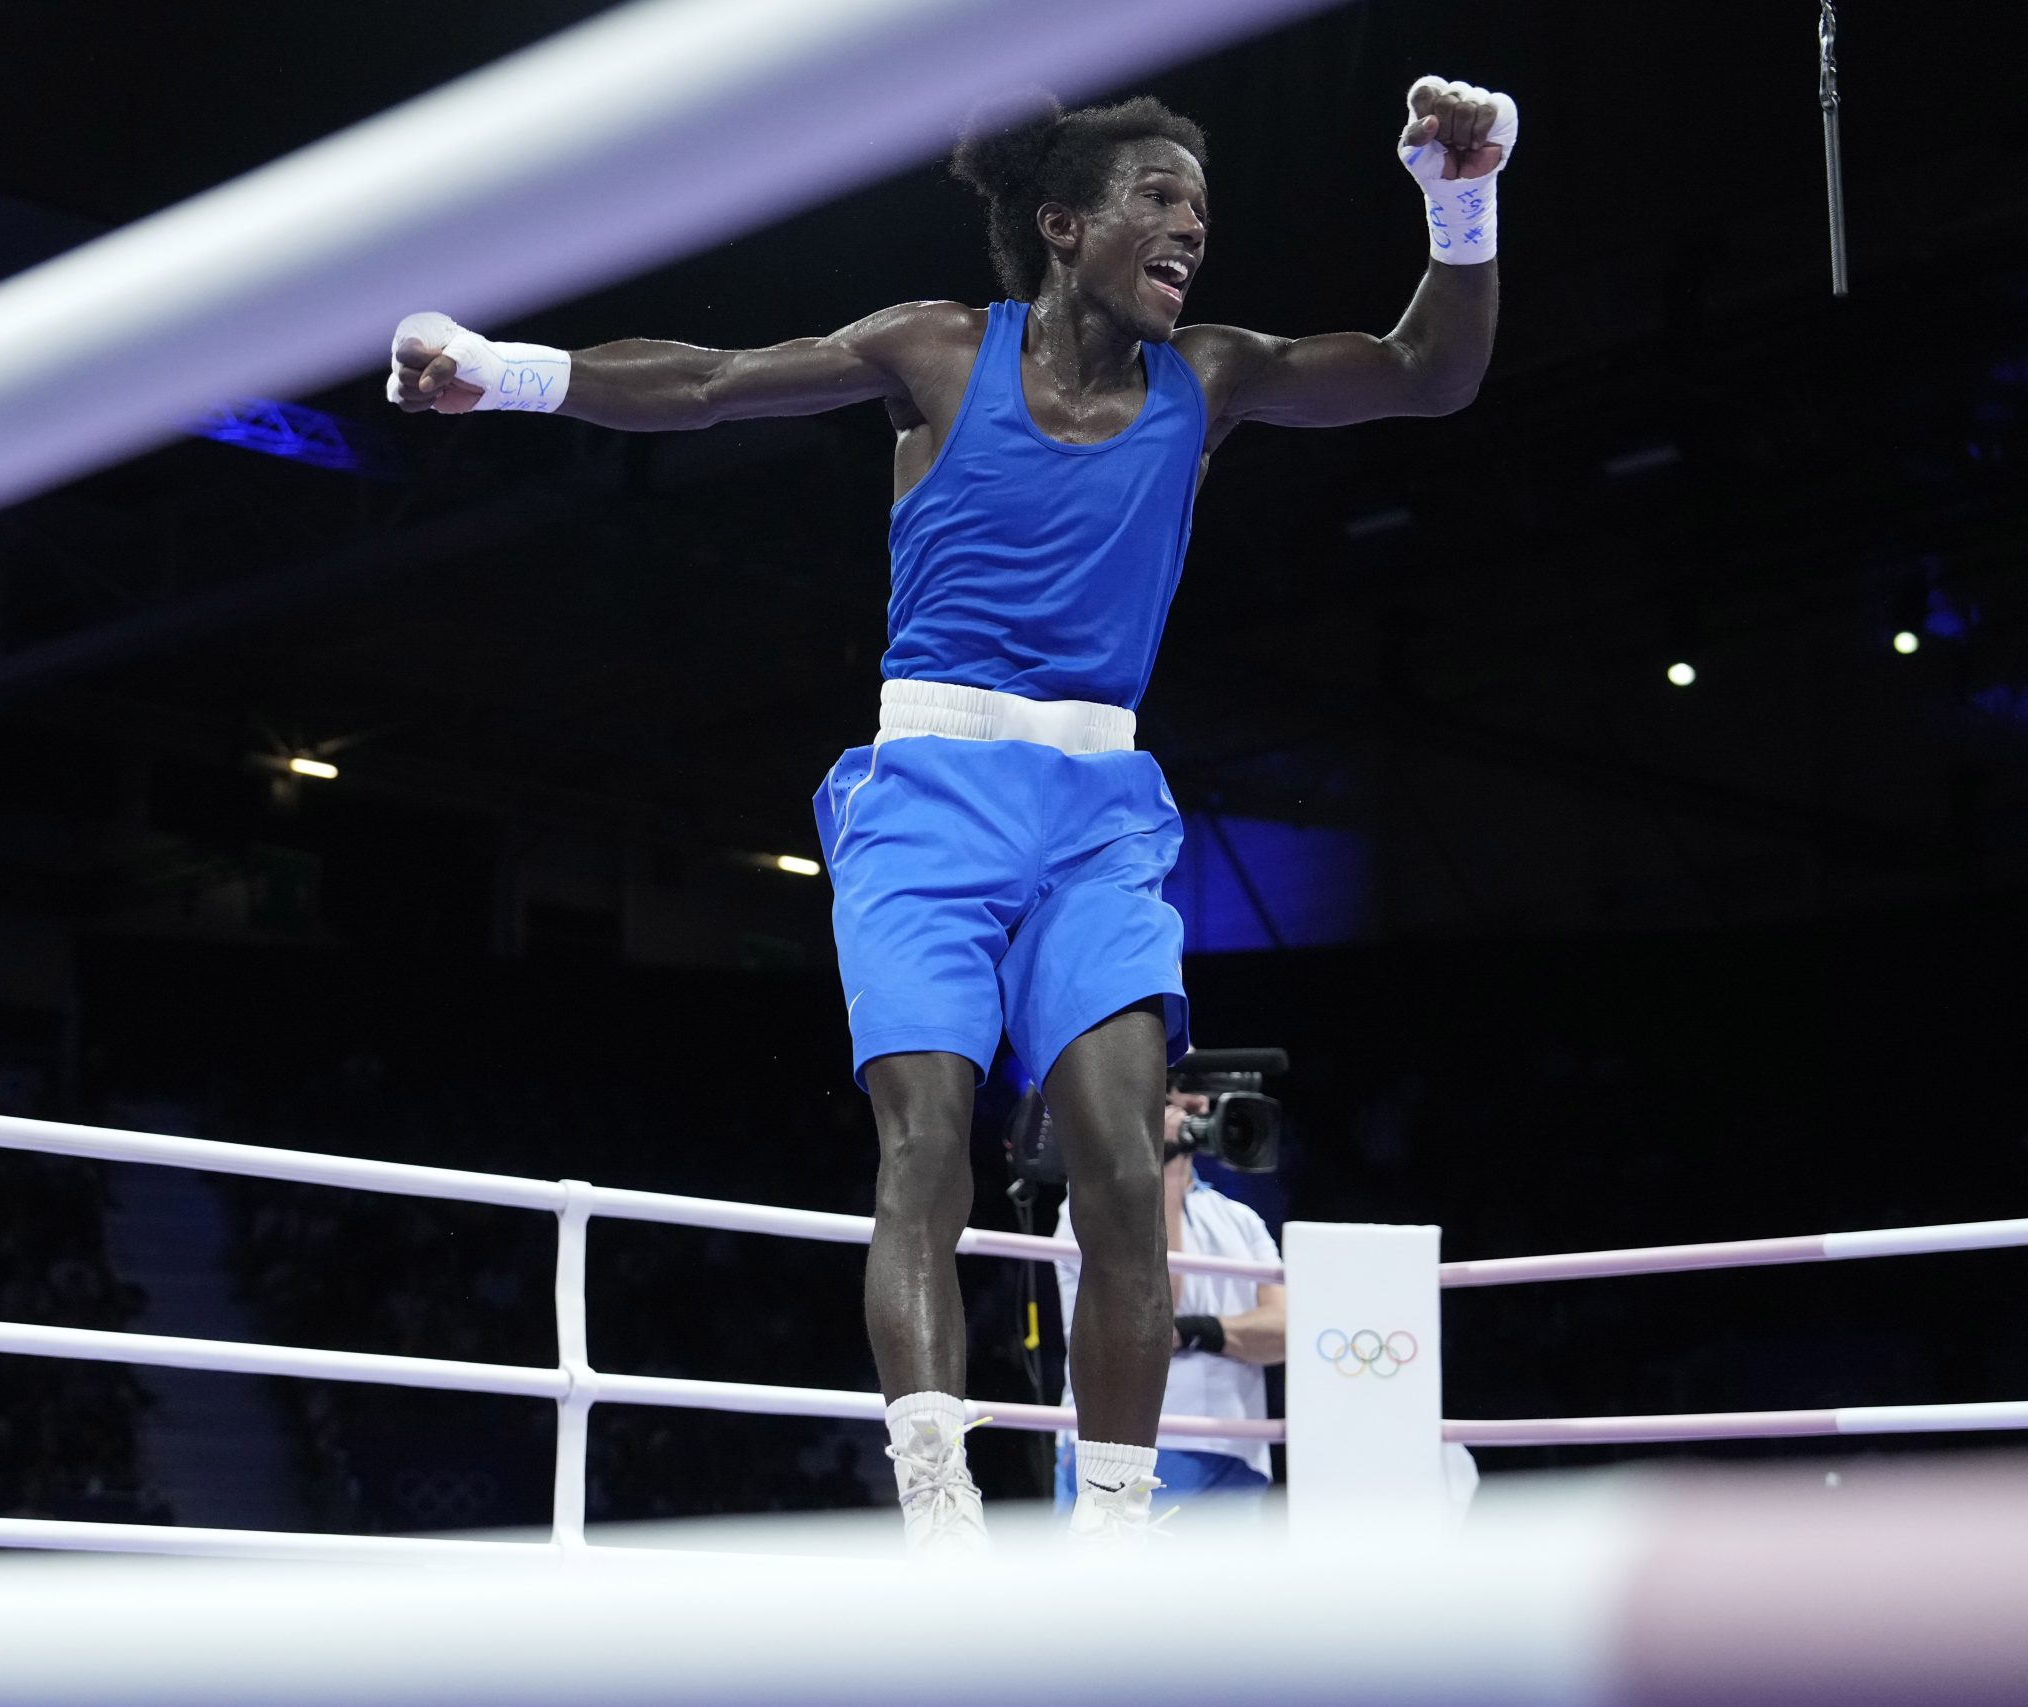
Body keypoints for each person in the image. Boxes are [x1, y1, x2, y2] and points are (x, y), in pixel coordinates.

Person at [389, 76, 1516, 1550]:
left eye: (1202, 208)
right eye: (1160, 198)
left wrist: (1462, 196)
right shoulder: (936, 350)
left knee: (1122, 1160)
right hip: (926, 789)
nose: (1193, 225)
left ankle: (1112, 1526)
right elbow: (715, 379)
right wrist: (507, 371)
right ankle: (937, 1502)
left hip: (1101, 806)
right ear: (1064, 224)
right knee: (924, 1140)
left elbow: (1430, 371)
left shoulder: (1216, 375)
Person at [1053, 1085, 1284, 1517]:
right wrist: (1166, 1170)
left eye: (1198, 1093)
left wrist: (1199, 1331)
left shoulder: (1240, 1219)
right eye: (1174, 1094)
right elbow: (1156, 1305)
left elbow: (1284, 1333)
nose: (1192, 1105)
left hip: (1239, 1448)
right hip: (1129, 1440)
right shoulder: (1087, 1208)